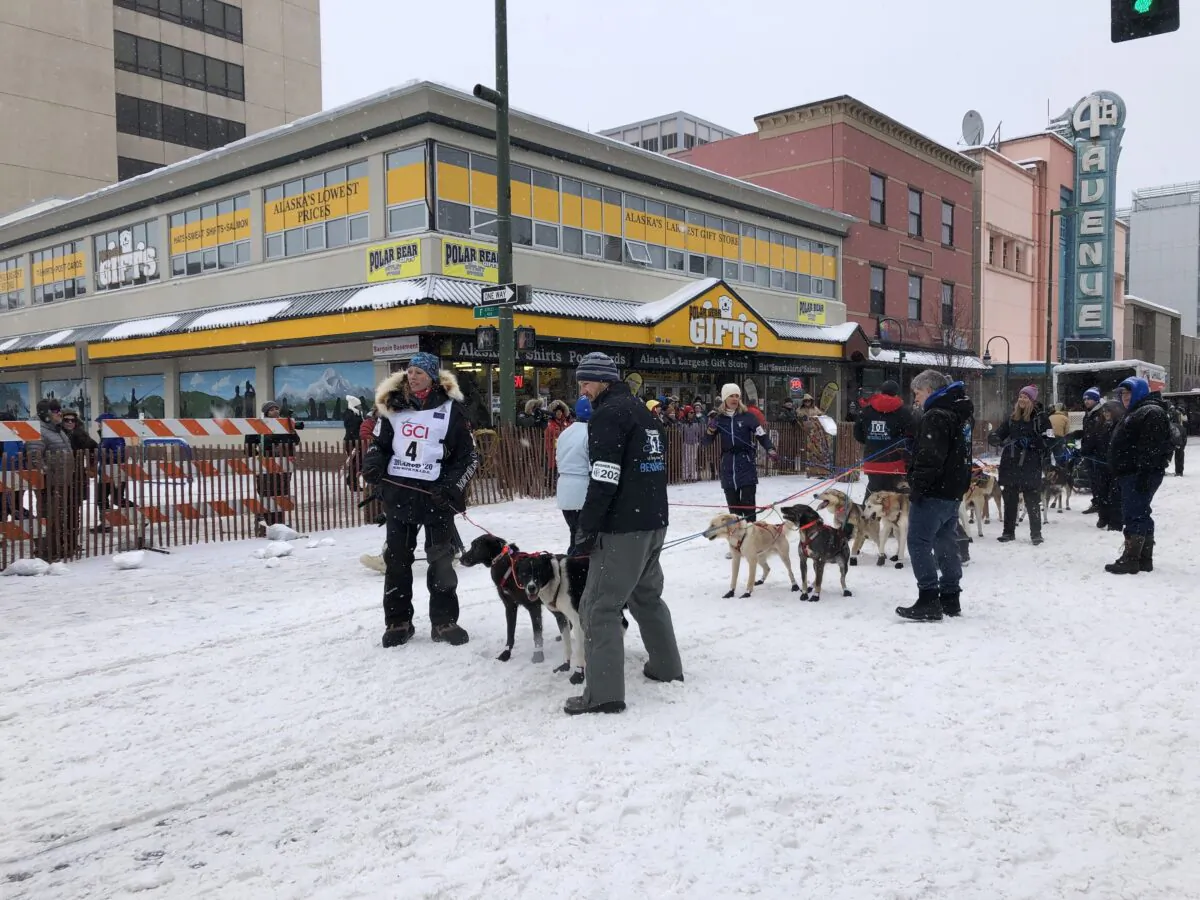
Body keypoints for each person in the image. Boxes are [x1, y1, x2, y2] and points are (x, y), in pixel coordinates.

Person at [566, 351, 683, 715]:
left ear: (603, 380)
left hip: (623, 527)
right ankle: (666, 666)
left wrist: (587, 527)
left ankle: (603, 694)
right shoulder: (643, 412)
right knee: (646, 597)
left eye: (586, 382)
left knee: (599, 606)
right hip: (654, 519)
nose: (583, 390)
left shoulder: (607, 415)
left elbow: (604, 477)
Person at [363, 352, 479, 647]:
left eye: (419, 372)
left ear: (432, 377)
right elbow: (379, 445)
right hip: (400, 495)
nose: (412, 377)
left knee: (441, 561)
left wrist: (451, 487)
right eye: (410, 371)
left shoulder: (451, 409)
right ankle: (398, 621)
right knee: (397, 561)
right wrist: (374, 463)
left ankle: (444, 621)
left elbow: (468, 458)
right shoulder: (392, 406)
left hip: (435, 498)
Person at [895, 371, 974, 622]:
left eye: (917, 393)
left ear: (929, 390)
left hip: (934, 491)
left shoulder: (935, 416)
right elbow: (952, 452)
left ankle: (928, 597)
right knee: (944, 541)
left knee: (918, 542)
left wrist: (917, 484)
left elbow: (931, 457)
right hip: (952, 491)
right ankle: (950, 596)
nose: (915, 399)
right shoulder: (957, 413)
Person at [1105, 376, 1172, 575]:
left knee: (1134, 514)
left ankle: (1131, 558)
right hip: (1133, 472)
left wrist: (1143, 473)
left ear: (1139, 392)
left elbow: (1150, 447)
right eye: (1123, 394)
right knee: (1141, 512)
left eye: (1129, 393)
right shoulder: (1138, 411)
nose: (1125, 397)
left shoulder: (1150, 412)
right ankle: (1144, 558)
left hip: (1138, 473)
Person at [705, 383, 777, 523]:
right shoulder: (719, 418)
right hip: (728, 464)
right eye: (731, 396)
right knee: (734, 511)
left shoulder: (748, 416)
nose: (734, 399)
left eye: (737, 396)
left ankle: (751, 531)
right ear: (725, 398)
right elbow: (706, 441)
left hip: (746, 463)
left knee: (748, 506)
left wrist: (770, 448)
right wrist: (710, 430)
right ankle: (737, 534)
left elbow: (761, 435)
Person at [988, 385, 1050, 545]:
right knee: (1009, 499)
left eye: (1026, 397)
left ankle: (1036, 534)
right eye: (1020, 396)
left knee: (1032, 500)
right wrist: (994, 437)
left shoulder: (1040, 418)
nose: (1022, 400)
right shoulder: (1012, 417)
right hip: (1011, 462)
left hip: (1030, 463)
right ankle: (1008, 532)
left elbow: (1049, 439)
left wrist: (1032, 442)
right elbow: (1000, 432)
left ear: (1032, 400)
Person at [27, 398, 78, 562]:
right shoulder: (38, 431)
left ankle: (58, 547)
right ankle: (47, 550)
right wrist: (48, 475)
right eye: (56, 411)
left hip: (61, 482)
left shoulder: (56, 430)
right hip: (49, 484)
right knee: (49, 516)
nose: (60, 414)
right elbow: (34, 457)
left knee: (59, 516)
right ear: (46, 414)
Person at [245, 399, 302, 528]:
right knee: (266, 492)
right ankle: (265, 522)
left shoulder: (284, 424)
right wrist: (256, 458)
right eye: (271, 410)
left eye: (276, 408)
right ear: (266, 413)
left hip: (284, 465)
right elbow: (249, 446)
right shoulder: (258, 426)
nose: (275, 411)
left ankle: (279, 523)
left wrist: (291, 430)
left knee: (281, 492)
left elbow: (296, 441)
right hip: (265, 465)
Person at [852, 380, 914, 496]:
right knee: (893, 497)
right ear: (896, 393)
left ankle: (868, 507)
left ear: (881, 391)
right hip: (895, 461)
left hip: (872, 459)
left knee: (873, 495)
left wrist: (871, 441)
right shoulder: (904, 412)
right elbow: (911, 435)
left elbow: (857, 434)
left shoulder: (866, 411)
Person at [555, 395, 592, 552]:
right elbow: (593, 465)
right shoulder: (591, 433)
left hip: (565, 489)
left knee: (574, 532)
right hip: (582, 490)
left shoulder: (565, 433)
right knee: (584, 539)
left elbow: (558, 458)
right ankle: (576, 561)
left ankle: (572, 558)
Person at [1168, 403, 1187, 477]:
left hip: (1176, 432)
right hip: (1179, 432)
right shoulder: (1179, 414)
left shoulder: (1170, 414)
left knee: (1170, 451)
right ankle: (1179, 471)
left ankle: (1162, 468)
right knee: (1179, 453)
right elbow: (1185, 420)